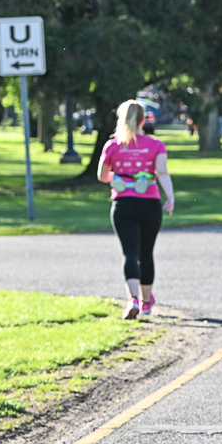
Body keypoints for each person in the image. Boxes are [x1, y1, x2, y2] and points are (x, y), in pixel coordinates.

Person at [98, 99, 176, 319]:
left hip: (123, 205)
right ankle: (146, 302)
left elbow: (102, 176)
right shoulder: (155, 145)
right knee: (146, 253)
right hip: (149, 204)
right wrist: (169, 197)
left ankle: (132, 298)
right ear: (144, 120)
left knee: (130, 254)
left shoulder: (112, 146)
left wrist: (118, 177)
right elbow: (162, 172)